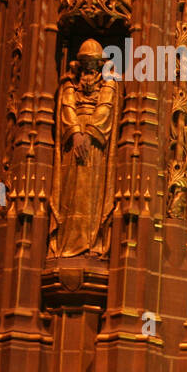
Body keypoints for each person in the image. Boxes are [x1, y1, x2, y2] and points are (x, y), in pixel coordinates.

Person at [50, 39, 120, 257]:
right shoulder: (70, 83)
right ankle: (67, 243)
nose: (89, 66)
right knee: (71, 192)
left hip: (95, 144)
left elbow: (106, 108)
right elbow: (67, 106)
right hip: (73, 143)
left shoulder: (108, 83)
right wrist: (75, 132)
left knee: (92, 194)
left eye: (93, 61)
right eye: (85, 61)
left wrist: (89, 134)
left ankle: (92, 242)